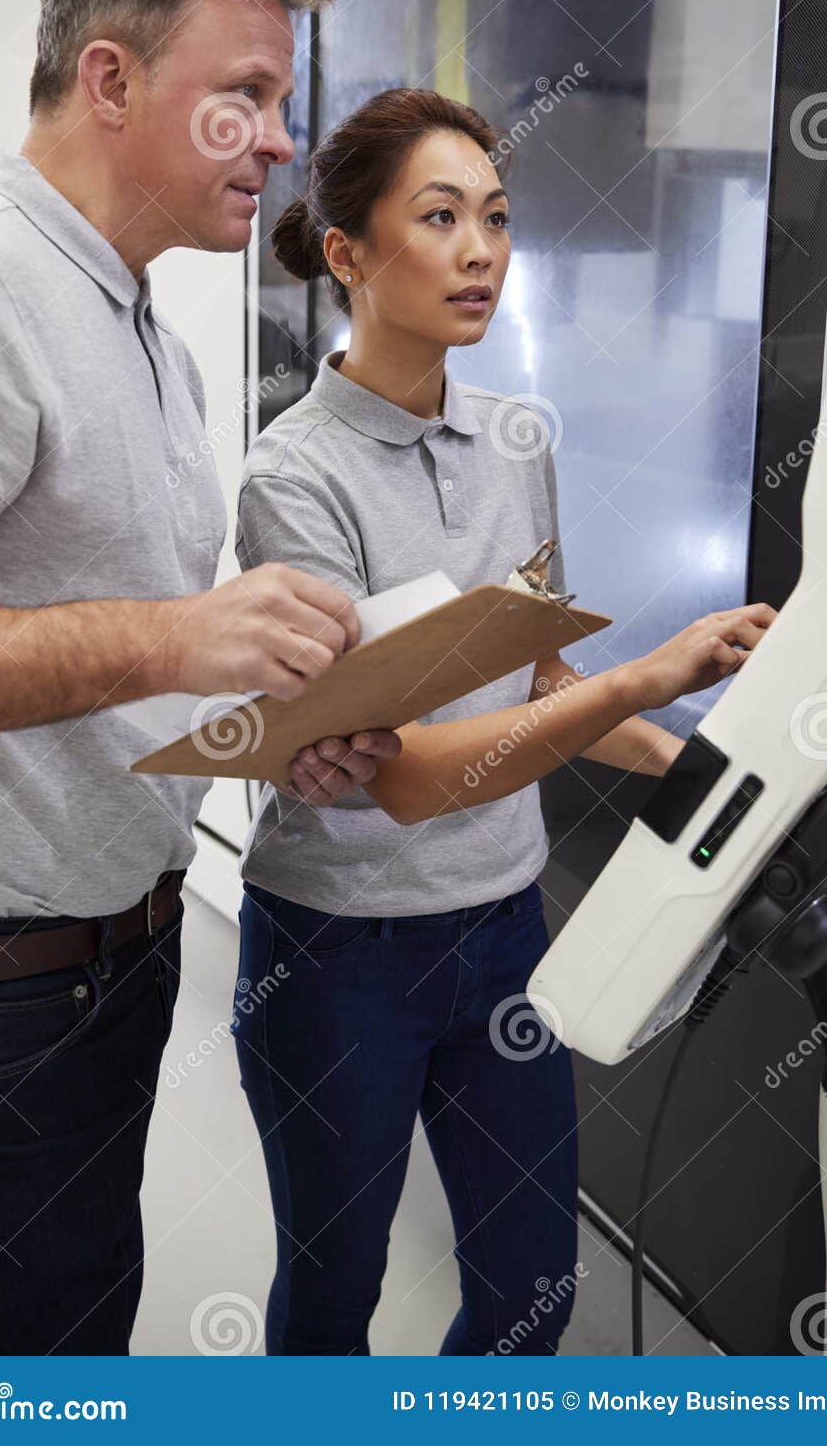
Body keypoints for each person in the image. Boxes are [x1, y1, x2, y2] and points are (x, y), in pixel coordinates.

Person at [0, 0, 397, 1354]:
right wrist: (170, 642)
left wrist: (273, 733)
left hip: (104, 955)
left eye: (283, 101)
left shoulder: (135, 316)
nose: (282, 142)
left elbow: (96, 639)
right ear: (107, 81)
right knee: (39, 1362)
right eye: (246, 98)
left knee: (84, 1325)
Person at [233, 87, 776, 1356]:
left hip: (501, 934)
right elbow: (399, 773)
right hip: (339, 954)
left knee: (532, 1291)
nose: (481, 250)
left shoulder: (513, 439)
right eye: (439, 217)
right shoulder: (294, 476)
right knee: (331, 1301)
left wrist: (710, 774)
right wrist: (637, 680)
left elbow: (532, 692)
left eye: (496, 217)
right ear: (349, 253)